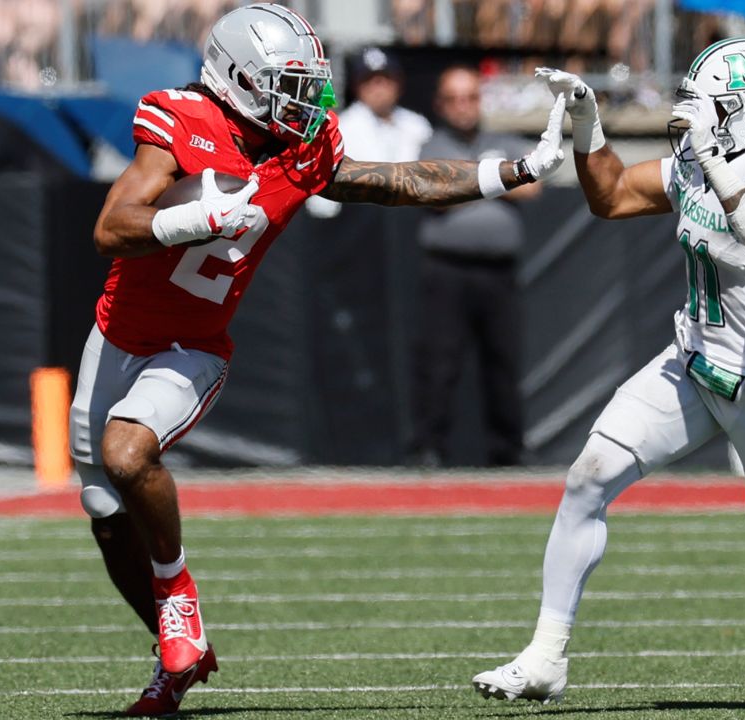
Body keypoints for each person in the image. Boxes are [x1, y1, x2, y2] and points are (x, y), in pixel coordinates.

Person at [69, 4, 566, 716]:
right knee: (104, 510)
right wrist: (196, 220)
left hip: (194, 343)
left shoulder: (301, 149)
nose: (309, 104)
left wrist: (515, 169)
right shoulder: (179, 119)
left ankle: (178, 595)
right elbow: (111, 228)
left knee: (126, 453)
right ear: (239, 81)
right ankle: (175, 652)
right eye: (289, 86)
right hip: (116, 333)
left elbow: (402, 181)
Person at [471, 39, 745, 703]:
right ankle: (545, 658)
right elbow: (614, 196)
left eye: (709, 102)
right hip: (690, 361)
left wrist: (712, 159)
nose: (691, 112)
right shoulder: (696, 156)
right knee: (587, 480)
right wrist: (590, 124)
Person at [409, 65, 540, 467]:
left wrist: (468, 179)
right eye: (455, 98)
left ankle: (508, 451)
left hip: (498, 272)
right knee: (440, 362)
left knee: (503, 362)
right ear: (440, 104)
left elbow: (533, 184)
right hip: (448, 270)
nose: (464, 107)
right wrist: (496, 180)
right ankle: (430, 449)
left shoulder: (502, 139)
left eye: (471, 97)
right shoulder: (432, 145)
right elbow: (434, 193)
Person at [305, 46, 432, 217]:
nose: (378, 87)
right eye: (369, 80)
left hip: (410, 220)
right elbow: (321, 204)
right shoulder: (341, 128)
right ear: (357, 86)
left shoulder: (418, 126)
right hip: (360, 223)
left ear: (399, 83)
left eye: (386, 79)